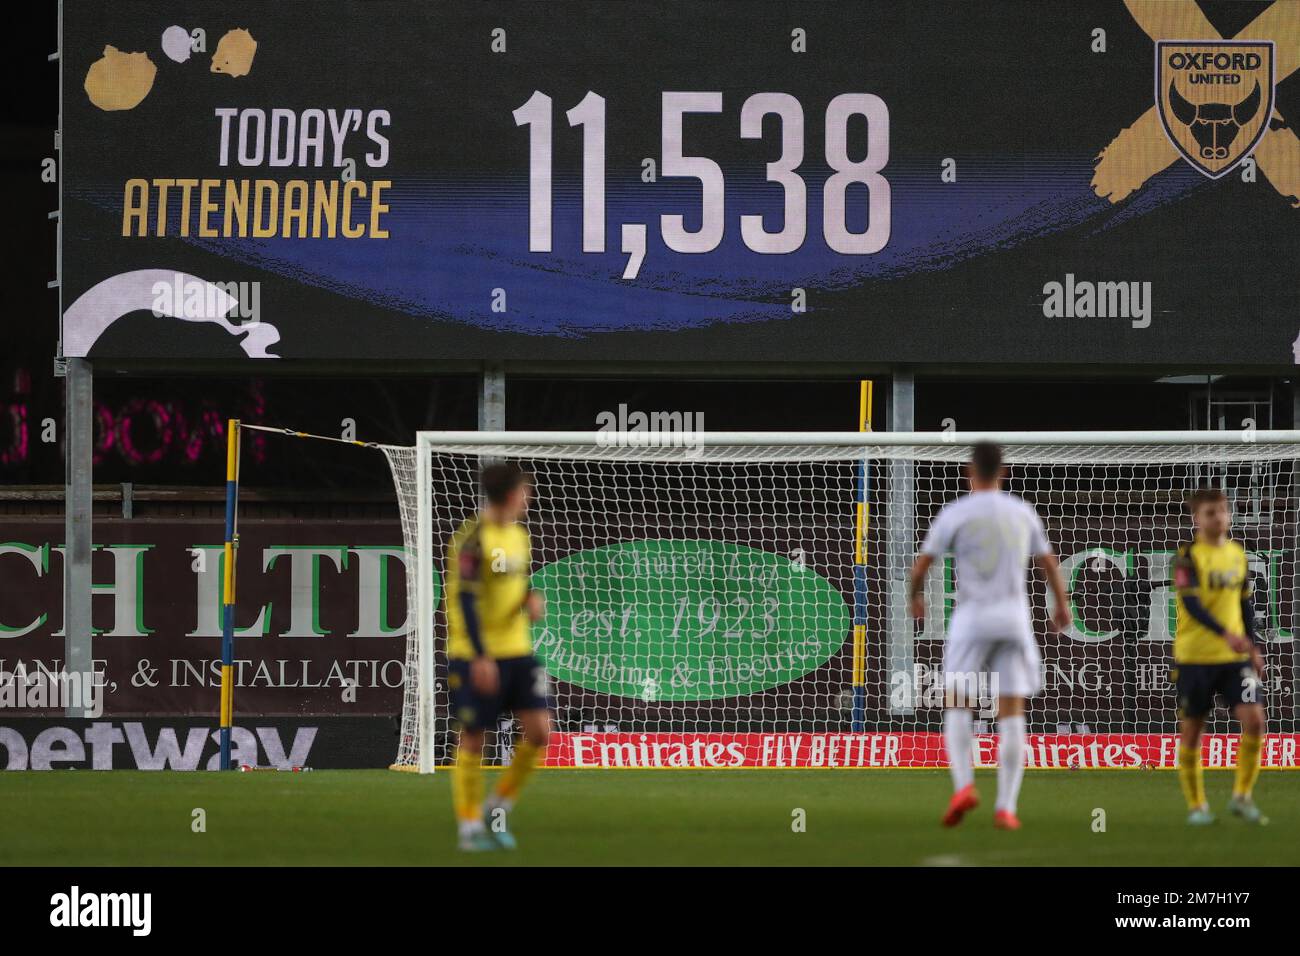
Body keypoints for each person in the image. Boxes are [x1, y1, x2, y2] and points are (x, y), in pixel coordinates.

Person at [909, 442, 1070, 829]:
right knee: (1012, 710)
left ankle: (964, 786)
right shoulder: (1020, 511)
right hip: (1013, 620)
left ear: (969, 471)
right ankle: (1006, 808)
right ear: (1005, 471)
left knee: (957, 702)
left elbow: (922, 565)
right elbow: (1048, 562)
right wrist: (1061, 605)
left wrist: (915, 596)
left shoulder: (957, 512)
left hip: (972, 619)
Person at [445, 462, 549, 850]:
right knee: (474, 736)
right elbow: (467, 601)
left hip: (518, 650)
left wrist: (528, 598)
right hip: (476, 654)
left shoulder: (521, 536)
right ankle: (469, 826)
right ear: (509, 494)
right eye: (525, 490)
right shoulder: (472, 538)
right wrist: (481, 656)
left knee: (540, 732)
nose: (529, 497)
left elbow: (514, 585)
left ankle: (498, 803)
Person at [1171, 487, 1267, 825]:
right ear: (1197, 518)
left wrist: (1252, 647)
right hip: (1195, 657)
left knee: (1255, 721)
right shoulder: (1186, 557)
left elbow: (1244, 604)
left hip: (1234, 659)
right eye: (1211, 512)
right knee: (1194, 731)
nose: (1220, 517)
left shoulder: (1237, 554)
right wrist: (1226, 633)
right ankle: (1197, 806)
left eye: (1223, 511)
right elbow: (1193, 605)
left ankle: (1242, 796)